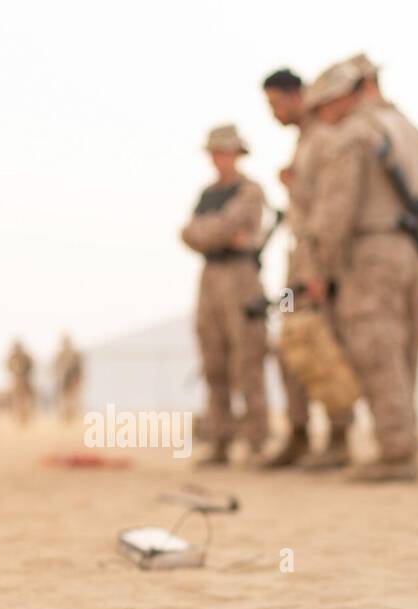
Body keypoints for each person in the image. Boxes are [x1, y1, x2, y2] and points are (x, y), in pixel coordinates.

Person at [301, 55, 418, 482]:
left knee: (376, 348)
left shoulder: (354, 136)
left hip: (371, 252)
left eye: (324, 106)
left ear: (342, 98)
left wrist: (319, 266)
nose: (323, 117)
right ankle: (402, 440)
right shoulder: (408, 131)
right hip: (411, 251)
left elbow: (335, 209)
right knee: (402, 347)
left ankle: (395, 452)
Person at [261, 69, 354, 470]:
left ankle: (338, 437)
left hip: (317, 261)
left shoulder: (326, 137)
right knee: (293, 348)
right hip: (298, 259)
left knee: (324, 347)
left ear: (296, 96)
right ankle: (298, 434)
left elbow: (330, 207)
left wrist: (319, 269)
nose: (274, 114)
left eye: (276, 104)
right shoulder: (306, 141)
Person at [179, 124, 268, 467]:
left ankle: (258, 441)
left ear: (237, 154)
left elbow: (221, 228)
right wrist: (213, 234)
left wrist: (210, 233)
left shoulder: (250, 190)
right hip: (211, 277)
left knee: (248, 359)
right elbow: (190, 232)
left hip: (242, 275)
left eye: (225, 152)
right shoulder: (208, 194)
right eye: (215, 153)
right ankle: (220, 440)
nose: (220, 159)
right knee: (213, 360)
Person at [53, 334, 84, 421]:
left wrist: (79, 380)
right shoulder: (60, 355)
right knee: (62, 398)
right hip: (63, 382)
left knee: (74, 399)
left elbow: (80, 368)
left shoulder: (76, 355)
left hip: (74, 380)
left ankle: (74, 414)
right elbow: (55, 367)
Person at [7, 340, 35, 425]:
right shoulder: (13, 357)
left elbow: (31, 366)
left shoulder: (26, 357)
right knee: (17, 400)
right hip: (17, 380)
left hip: (25, 380)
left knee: (25, 400)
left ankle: (25, 417)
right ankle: (18, 417)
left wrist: (23, 370)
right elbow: (8, 366)